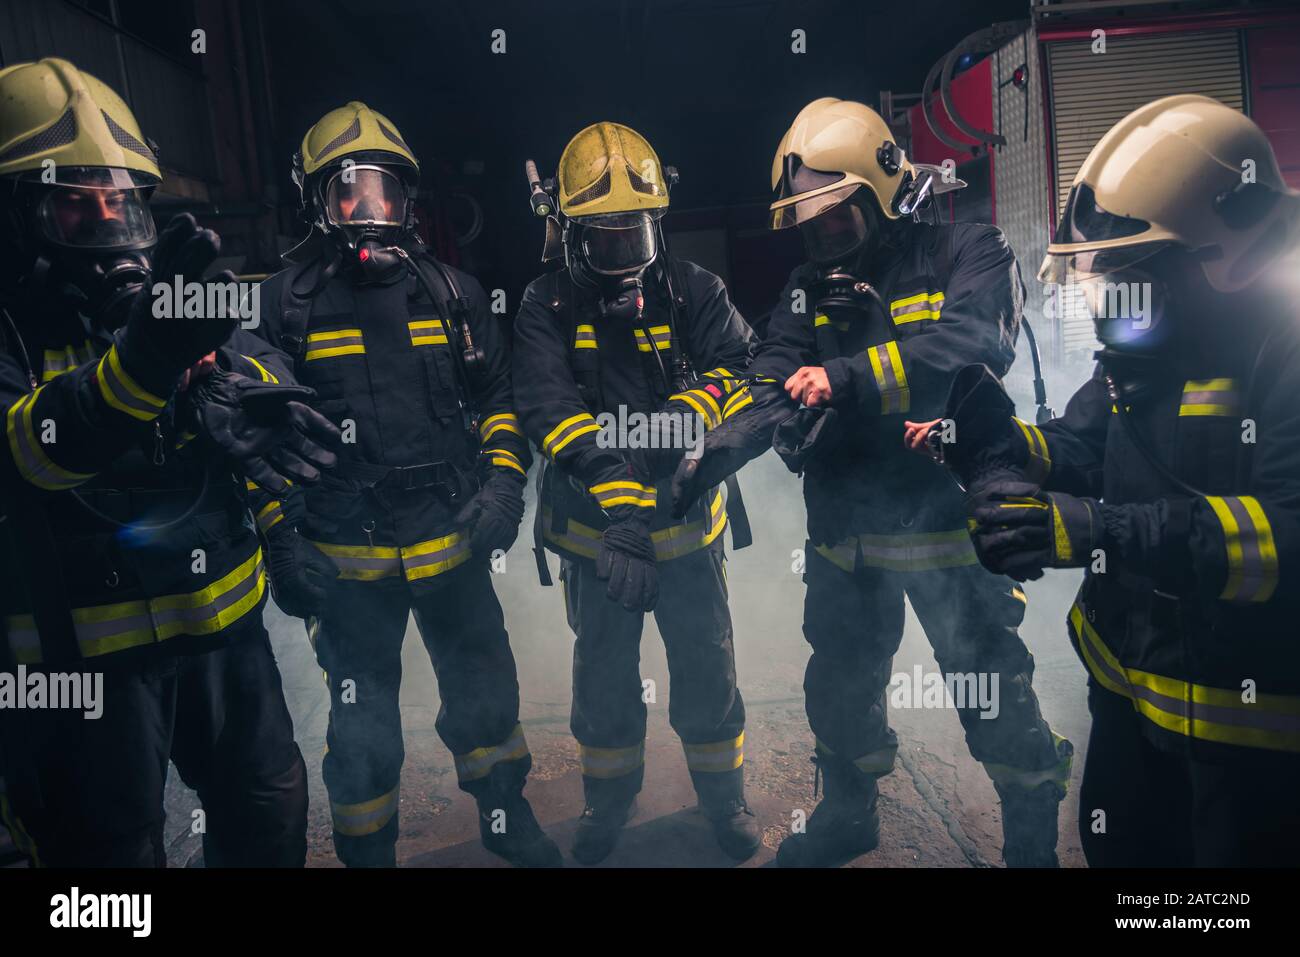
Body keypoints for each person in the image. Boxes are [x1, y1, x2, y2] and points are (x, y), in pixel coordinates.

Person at [674, 98, 1072, 867]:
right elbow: (772, 373)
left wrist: (844, 377)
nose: (822, 236)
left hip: (952, 525)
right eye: (810, 223)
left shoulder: (969, 250)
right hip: (848, 536)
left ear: (882, 193)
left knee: (993, 692)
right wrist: (716, 449)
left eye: (837, 217)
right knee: (841, 691)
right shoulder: (805, 284)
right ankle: (849, 813)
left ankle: (1029, 837)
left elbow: (971, 344)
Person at [937, 94, 1300, 865]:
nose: (1109, 307)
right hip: (1131, 706)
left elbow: (1283, 539)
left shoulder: (1287, 350)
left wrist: (1094, 528)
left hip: (1254, 744)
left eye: (1128, 281)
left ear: (1216, 261)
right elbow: (1083, 446)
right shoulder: (1145, 354)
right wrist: (1001, 446)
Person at [0, 57, 335, 867]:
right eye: (76, 207)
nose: (110, 229)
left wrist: (229, 381)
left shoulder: (166, 299)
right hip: (76, 670)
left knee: (268, 815)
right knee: (108, 869)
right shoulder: (18, 331)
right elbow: (27, 454)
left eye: (121, 204)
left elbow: (266, 362)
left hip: (224, 635)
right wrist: (147, 364)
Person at [250, 101, 558, 867]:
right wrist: (281, 538)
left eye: (382, 191)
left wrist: (503, 486)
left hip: (451, 542)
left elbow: (498, 402)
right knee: (362, 726)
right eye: (346, 192)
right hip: (346, 566)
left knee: (487, 696)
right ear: (315, 202)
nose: (366, 209)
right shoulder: (279, 308)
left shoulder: (451, 293)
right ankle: (368, 853)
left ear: (407, 200)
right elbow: (256, 442)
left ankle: (504, 814)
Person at [512, 121, 759, 864]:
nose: (624, 260)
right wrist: (621, 505)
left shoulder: (693, 291)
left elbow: (747, 369)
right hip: (598, 549)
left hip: (689, 539)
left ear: (659, 227)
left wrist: (693, 411)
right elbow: (549, 410)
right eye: (605, 242)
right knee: (606, 684)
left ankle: (726, 801)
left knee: (708, 671)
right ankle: (607, 805)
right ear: (568, 234)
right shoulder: (542, 306)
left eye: (637, 238)